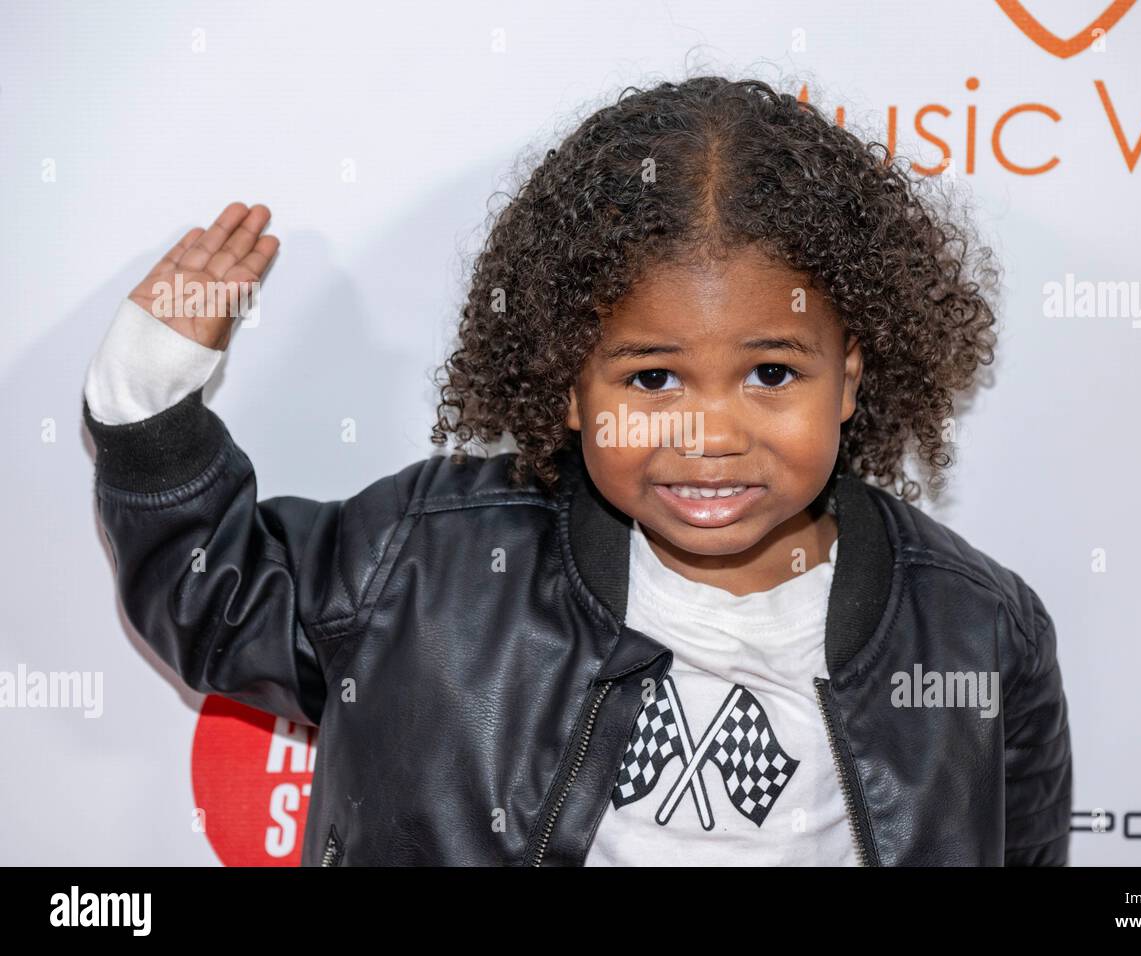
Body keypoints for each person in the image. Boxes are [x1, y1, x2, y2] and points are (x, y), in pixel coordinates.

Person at [82, 75, 1071, 866]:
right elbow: (215, 603)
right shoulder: (428, 566)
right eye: (651, 376)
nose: (709, 433)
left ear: (848, 378)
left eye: (770, 372)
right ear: (568, 384)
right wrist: (148, 403)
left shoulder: (977, 628)